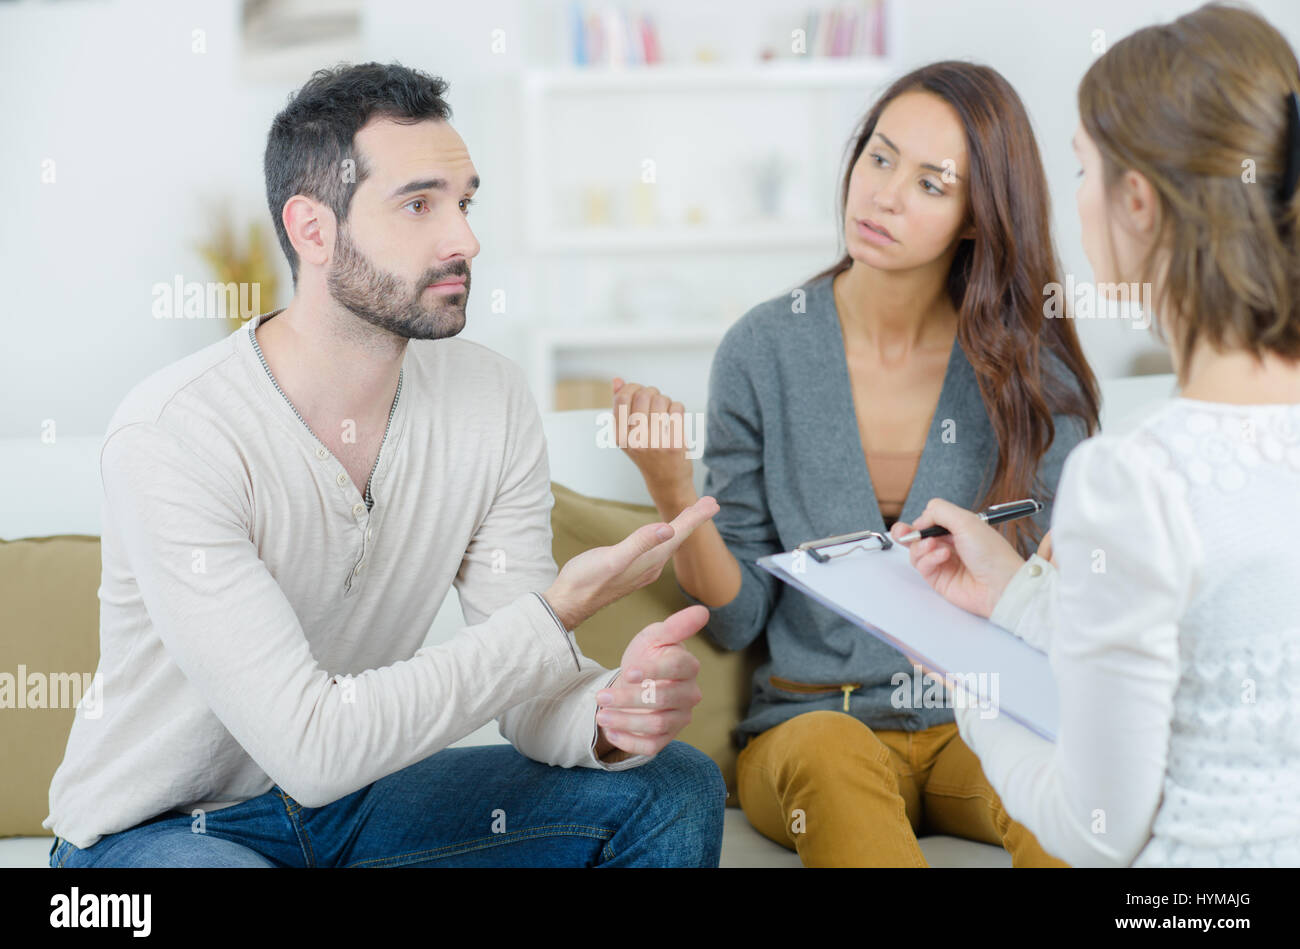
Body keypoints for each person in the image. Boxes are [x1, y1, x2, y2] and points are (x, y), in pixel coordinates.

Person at [45, 62, 725, 868]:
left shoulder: (491, 399)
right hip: (154, 833)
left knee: (671, 785)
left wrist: (608, 718)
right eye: (418, 204)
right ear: (313, 230)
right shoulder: (173, 435)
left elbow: (529, 696)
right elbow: (311, 745)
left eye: (465, 202)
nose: (465, 239)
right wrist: (554, 616)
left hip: (353, 805)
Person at [613, 60, 1100, 866]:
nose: (883, 194)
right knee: (835, 763)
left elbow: (1058, 606)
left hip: (978, 719)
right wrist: (670, 489)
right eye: (879, 157)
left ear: (978, 217)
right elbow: (738, 617)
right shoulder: (765, 349)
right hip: (813, 721)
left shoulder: (1031, 376)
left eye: (931, 184)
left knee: (1068, 808)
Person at [896, 1, 1300, 867]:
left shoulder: (1135, 477)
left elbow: (1095, 831)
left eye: (1082, 171)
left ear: (1139, 203)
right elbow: (1203, 654)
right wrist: (1011, 594)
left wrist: (975, 679)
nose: (1070, 202)